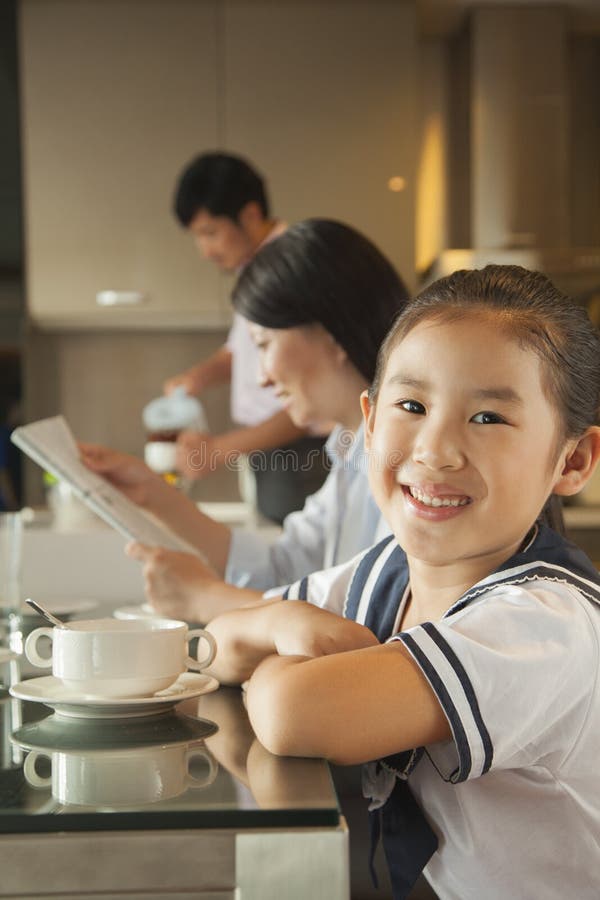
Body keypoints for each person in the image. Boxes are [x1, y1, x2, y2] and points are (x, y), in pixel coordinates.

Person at [204, 265, 600, 899]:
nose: (436, 449)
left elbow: (292, 711)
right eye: (411, 406)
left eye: (489, 418)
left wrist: (278, 668)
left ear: (572, 459)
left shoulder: (544, 624)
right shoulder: (384, 572)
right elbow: (217, 645)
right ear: (368, 422)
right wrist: (283, 622)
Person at [80, 219, 410, 623]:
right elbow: (284, 564)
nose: (262, 377)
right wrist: (151, 493)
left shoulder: (406, 461)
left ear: (330, 333)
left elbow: (365, 616)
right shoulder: (350, 447)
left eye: (264, 346)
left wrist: (207, 598)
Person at [166, 151, 327, 523]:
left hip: (298, 454)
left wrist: (216, 450)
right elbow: (240, 352)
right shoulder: (256, 269)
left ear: (250, 215)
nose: (205, 251)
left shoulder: (288, 272)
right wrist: (198, 377)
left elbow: (309, 398)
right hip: (274, 450)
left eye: (210, 233)